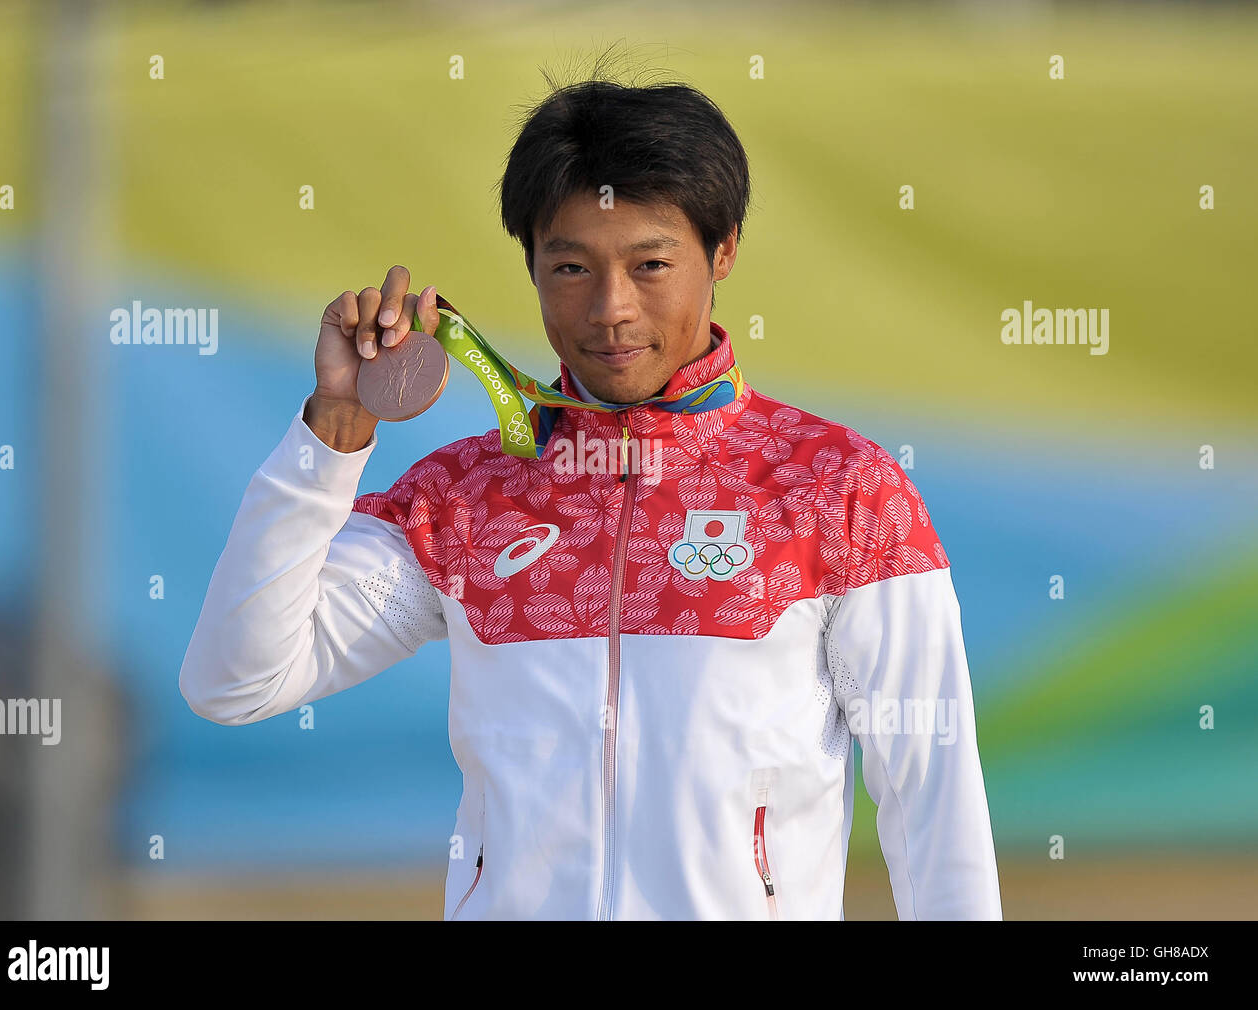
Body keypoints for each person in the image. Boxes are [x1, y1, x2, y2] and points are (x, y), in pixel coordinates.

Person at [179, 77, 1002, 921]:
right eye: (570, 267)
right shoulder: (463, 502)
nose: (610, 309)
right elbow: (234, 681)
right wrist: (334, 429)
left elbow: (932, 796)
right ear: (531, 263)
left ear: (722, 253)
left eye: (650, 264)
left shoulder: (839, 489)